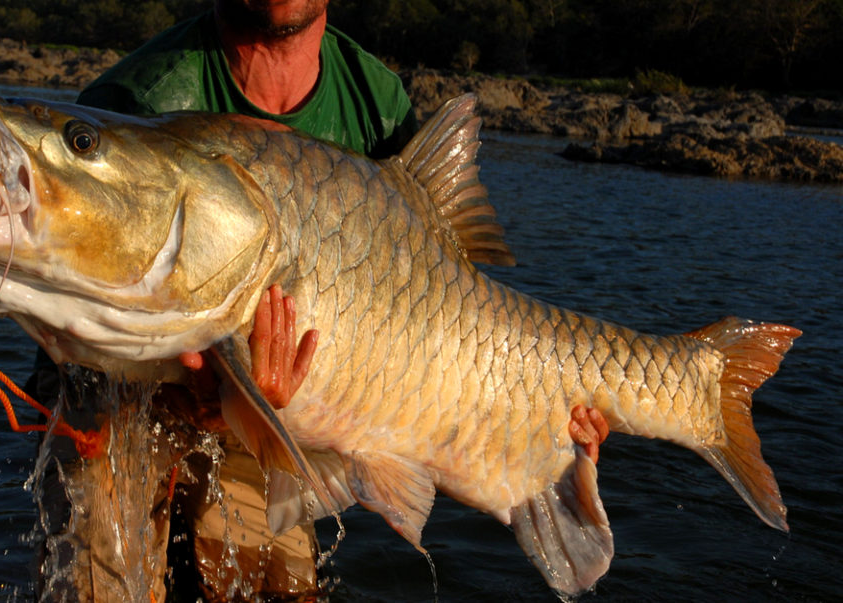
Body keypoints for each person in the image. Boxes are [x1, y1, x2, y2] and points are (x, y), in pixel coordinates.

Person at [31, 1, 611, 600]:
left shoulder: (377, 104)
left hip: (273, 422)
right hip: (122, 404)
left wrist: (548, 412)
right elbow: (68, 340)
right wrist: (193, 390)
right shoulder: (135, 100)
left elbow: (448, 308)